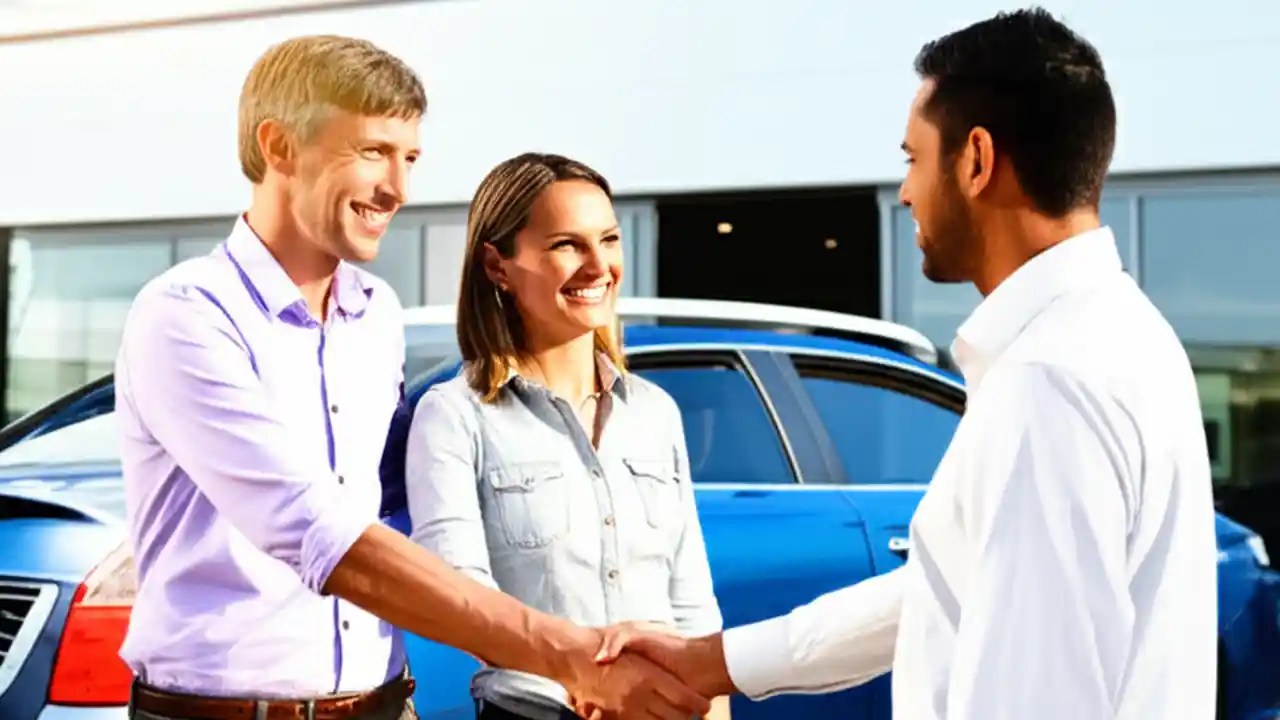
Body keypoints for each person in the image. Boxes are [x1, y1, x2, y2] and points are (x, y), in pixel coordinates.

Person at [590, 8, 1218, 720]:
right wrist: (712, 662)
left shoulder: (1048, 380)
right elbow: (942, 588)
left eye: (914, 158)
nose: (905, 192)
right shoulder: (1125, 335)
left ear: (977, 161)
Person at [115, 35, 710, 720]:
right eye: (371, 152)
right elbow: (319, 534)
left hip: (385, 707)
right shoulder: (186, 316)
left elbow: (396, 507)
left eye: (410, 158)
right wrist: (570, 655)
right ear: (279, 147)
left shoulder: (376, 317)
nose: (397, 189)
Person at [402, 152, 732, 720]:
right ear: (497, 265)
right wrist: (583, 677)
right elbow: (464, 604)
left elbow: (694, 608)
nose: (598, 265)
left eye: (608, 239)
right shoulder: (455, 416)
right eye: (566, 245)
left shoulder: (655, 413)